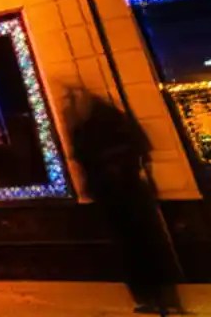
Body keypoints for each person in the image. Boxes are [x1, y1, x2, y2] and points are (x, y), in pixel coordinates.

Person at [69, 91, 183, 316]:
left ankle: (151, 296)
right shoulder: (115, 125)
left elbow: (86, 160)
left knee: (133, 247)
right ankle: (164, 296)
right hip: (130, 193)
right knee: (147, 243)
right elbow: (142, 150)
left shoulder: (88, 130)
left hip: (115, 196)